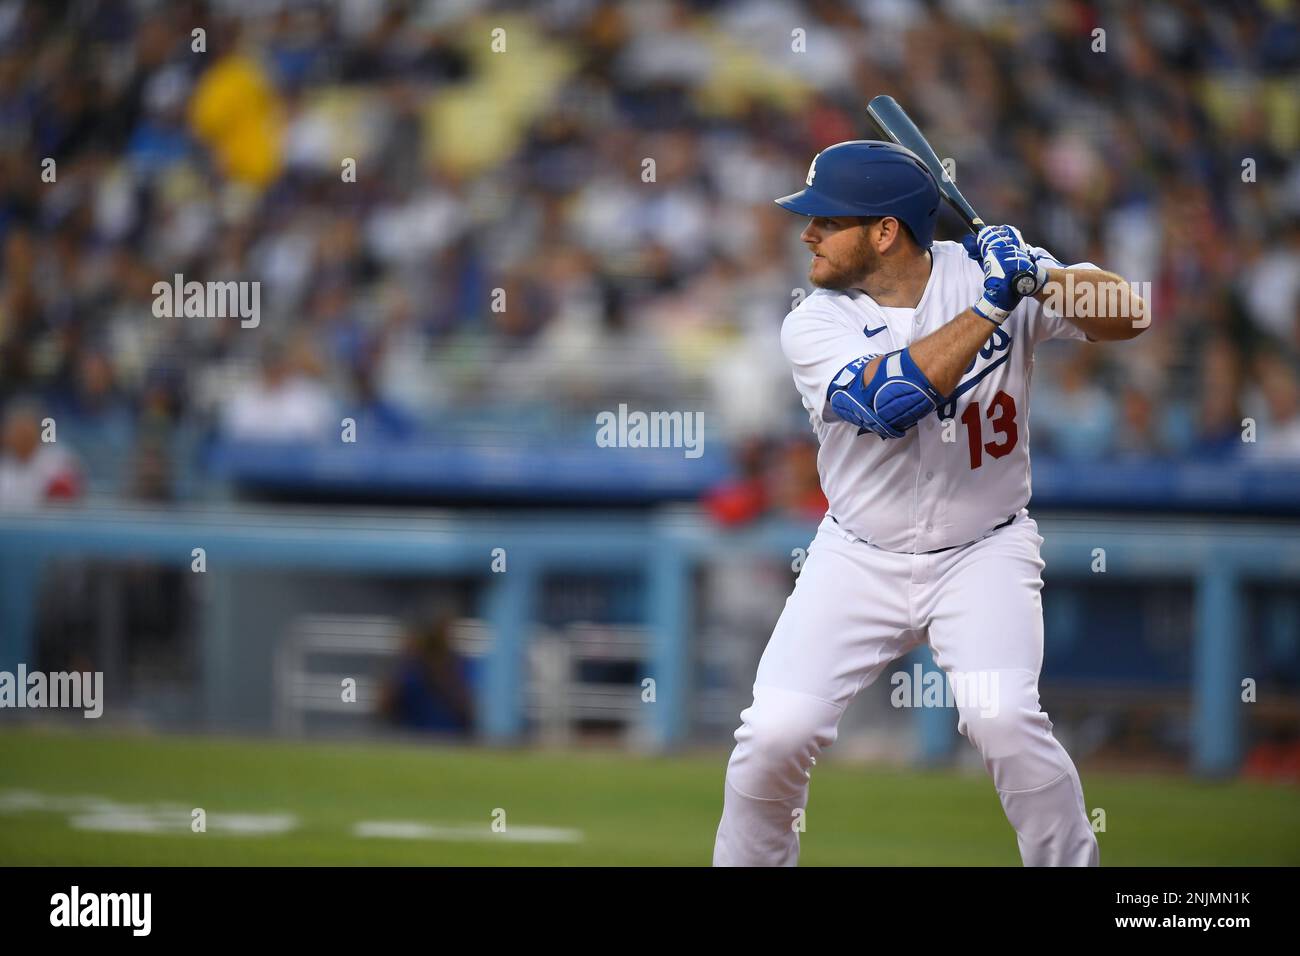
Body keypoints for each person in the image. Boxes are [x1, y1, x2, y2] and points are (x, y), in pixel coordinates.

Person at [712, 140, 1148, 866]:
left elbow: (1129, 316)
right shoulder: (813, 322)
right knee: (774, 734)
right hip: (857, 556)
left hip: (985, 550)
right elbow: (888, 404)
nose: (807, 233)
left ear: (885, 231)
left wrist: (1046, 275)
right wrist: (995, 302)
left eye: (826, 219)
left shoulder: (992, 271)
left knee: (1004, 719)